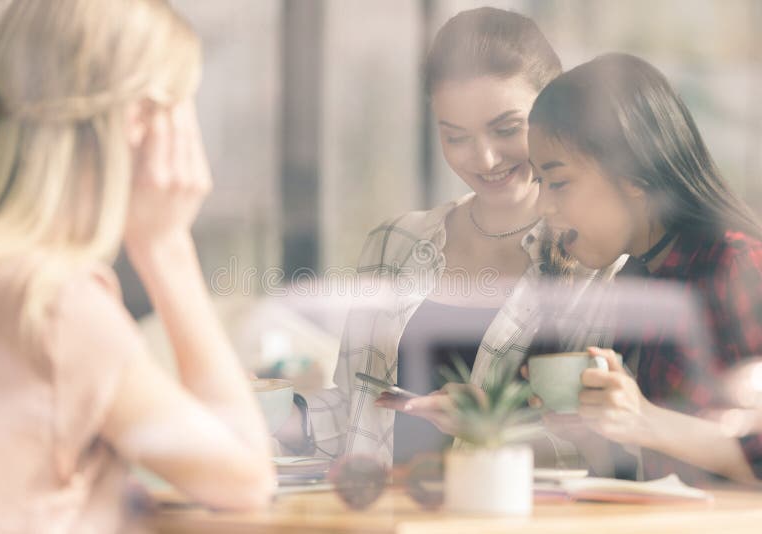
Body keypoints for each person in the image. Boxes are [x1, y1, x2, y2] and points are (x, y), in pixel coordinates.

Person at [0, 0, 275, 530]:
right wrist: (167, 247)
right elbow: (245, 478)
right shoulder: (54, 304)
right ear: (139, 119)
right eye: (184, 105)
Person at [276, 7, 621, 466]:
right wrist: (277, 416)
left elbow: (607, 449)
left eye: (507, 129)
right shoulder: (392, 243)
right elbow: (358, 412)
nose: (484, 158)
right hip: (392, 516)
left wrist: (490, 431)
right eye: (456, 136)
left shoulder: (597, 259)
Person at [528, 52, 762, 484]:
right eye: (538, 182)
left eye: (558, 182)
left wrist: (643, 419)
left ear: (635, 175)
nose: (543, 205)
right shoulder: (638, 276)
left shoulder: (737, 264)